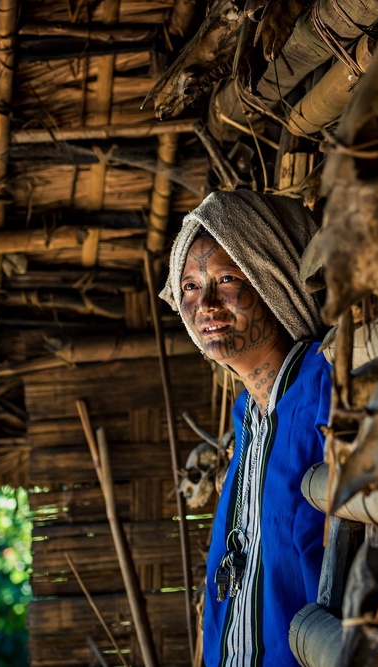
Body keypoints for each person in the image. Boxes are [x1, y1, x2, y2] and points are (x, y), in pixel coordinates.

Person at [160, 190, 332, 667]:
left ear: (273, 277)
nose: (205, 303)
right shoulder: (248, 416)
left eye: (227, 278)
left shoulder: (326, 385)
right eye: (190, 285)